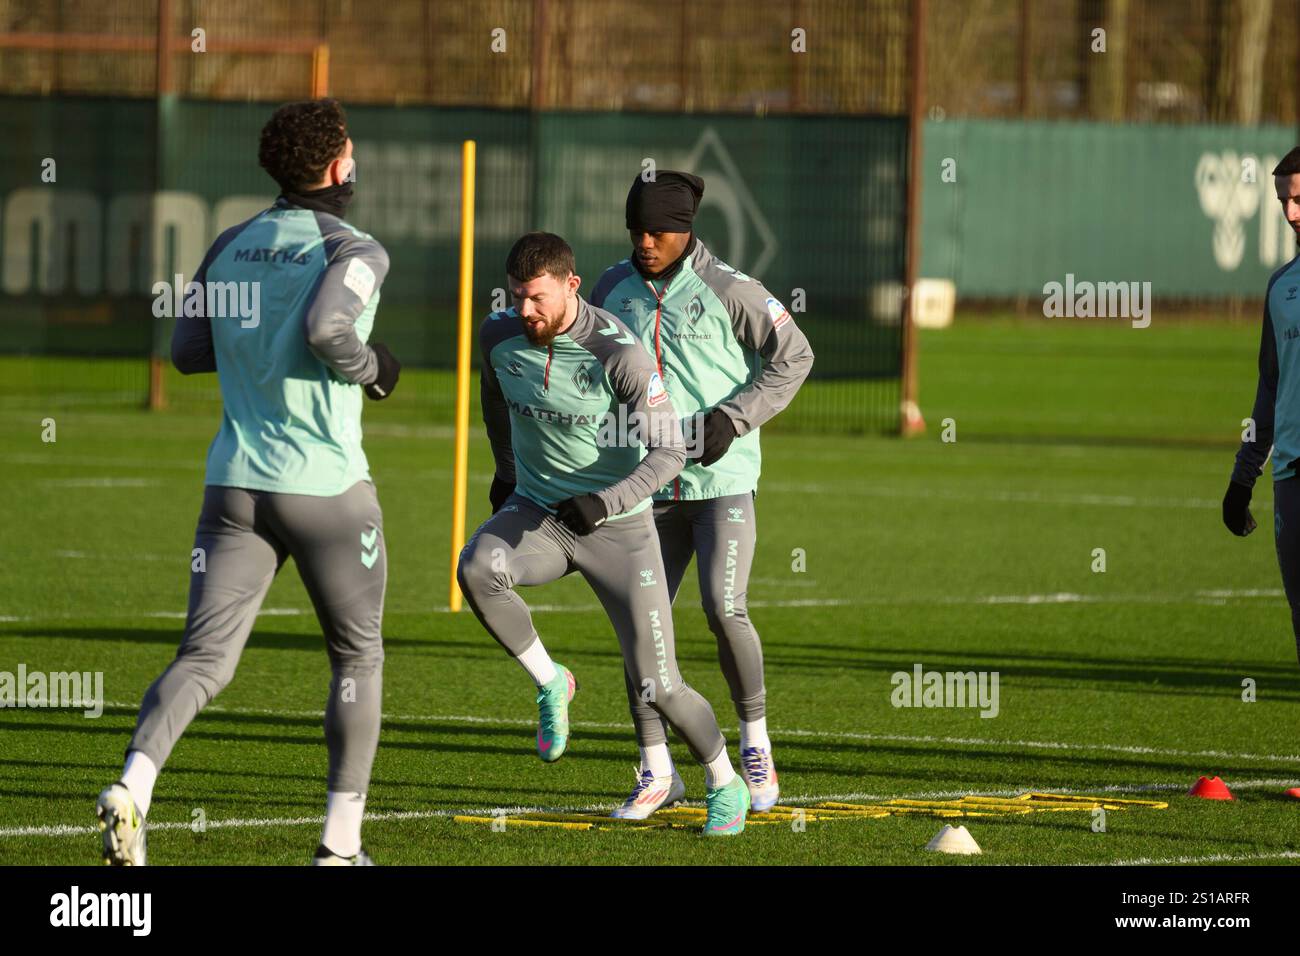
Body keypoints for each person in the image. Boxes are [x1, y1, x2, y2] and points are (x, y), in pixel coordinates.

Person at [96, 98, 401, 866]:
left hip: (234, 486)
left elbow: (188, 350)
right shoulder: (355, 248)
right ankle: (339, 847)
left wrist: (254, 344)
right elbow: (329, 329)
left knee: (203, 658)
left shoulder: (231, 242)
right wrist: (376, 371)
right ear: (338, 165)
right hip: (326, 490)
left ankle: (134, 784)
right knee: (357, 659)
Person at [457, 230, 750, 835]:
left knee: (659, 686)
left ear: (571, 285)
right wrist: (506, 473)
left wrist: (606, 500)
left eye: (536, 298)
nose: (524, 311)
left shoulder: (622, 356)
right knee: (477, 568)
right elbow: (495, 402)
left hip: (619, 529)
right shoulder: (498, 337)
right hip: (541, 513)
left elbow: (671, 452)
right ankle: (552, 682)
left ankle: (726, 781)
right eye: (516, 297)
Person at [589, 170, 814, 818]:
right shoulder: (610, 287)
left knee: (723, 607)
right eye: (636, 230)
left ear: (685, 231)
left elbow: (794, 356)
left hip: (721, 484)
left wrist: (732, 418)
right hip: (643, 489)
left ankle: (755, 745)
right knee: (641, 626)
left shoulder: (732, 289)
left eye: (656, 231)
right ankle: (657, 768)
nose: (644, 242)